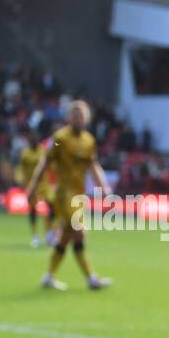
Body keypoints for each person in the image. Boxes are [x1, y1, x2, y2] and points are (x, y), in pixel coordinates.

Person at [24, 100, 112, 291]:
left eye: (82, 115)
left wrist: (104, 187)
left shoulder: (89, 141)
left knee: (66, 237)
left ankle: (49, 276)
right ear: (69, 117)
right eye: (75, 114)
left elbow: (93, 166)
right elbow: (44, 164)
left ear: (87, 118)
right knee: (79, 232)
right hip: (63, 194)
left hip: (79, 196)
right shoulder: (59, 139)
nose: (79, 118)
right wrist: (32, 187)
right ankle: (91, 278)